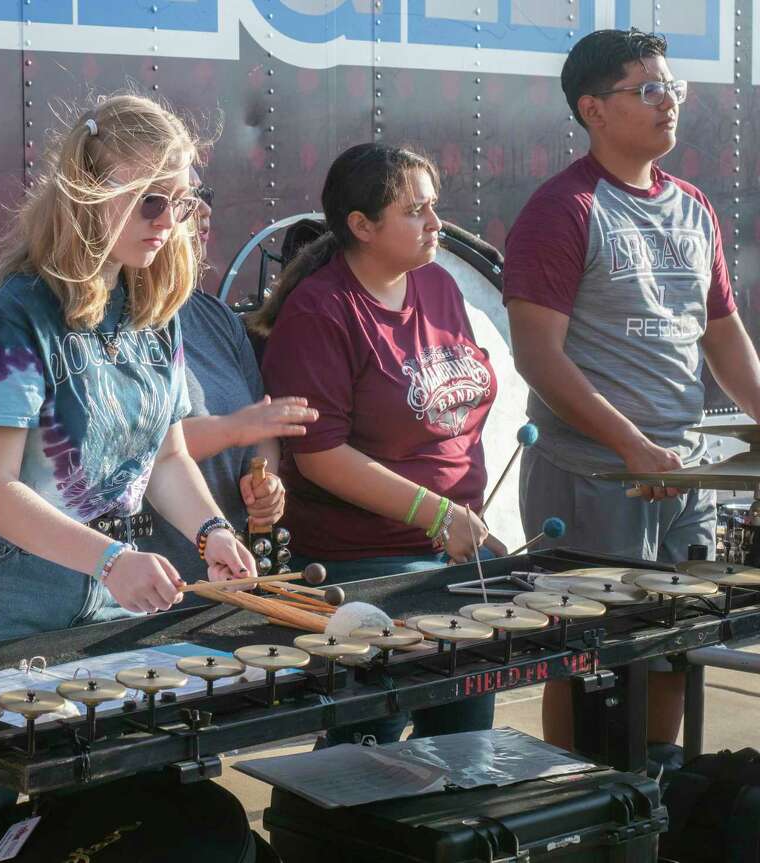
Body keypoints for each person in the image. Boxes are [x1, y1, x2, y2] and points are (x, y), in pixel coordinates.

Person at [0, 94, 256, 664]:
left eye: (183, 201)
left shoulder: (153, 310)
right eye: (150, 201)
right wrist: (112, 561)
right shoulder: (10, 312)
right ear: (85, 191)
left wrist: (212, 531)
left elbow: (166, 459)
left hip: (105, 576)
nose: (169, 222)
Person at [503, 28, 760, 752]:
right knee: (589, 659)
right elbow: (538, 357)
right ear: (594, 109)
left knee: (675, 650)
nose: (668, 102)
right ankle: (585, 811)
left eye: (672, 87)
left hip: (682, 473)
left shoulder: (694, 207)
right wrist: (630, 444)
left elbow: (724, 334)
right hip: (593, 474)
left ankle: (648, 800)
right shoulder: (563, 208)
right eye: (647, 89)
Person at [253, 142, 502, 743]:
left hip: (454, 551)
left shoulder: (437, 284)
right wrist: (437, 511)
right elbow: (318, 456)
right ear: (361, 226)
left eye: (433, 207)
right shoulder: (322, 310)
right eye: (415, 211)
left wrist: (460, 520)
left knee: (464, 741)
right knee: (368, 750)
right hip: (366, 562)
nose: (436, 225)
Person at [136, 167, 318, 579]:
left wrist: (266, 484)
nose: (201, 210)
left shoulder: (215, 316)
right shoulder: (115, 323)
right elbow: (143, 450)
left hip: (225, 572)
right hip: (146, 579)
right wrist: (235, 428)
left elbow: (260, 430)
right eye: (180, 197)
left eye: (204, 194)